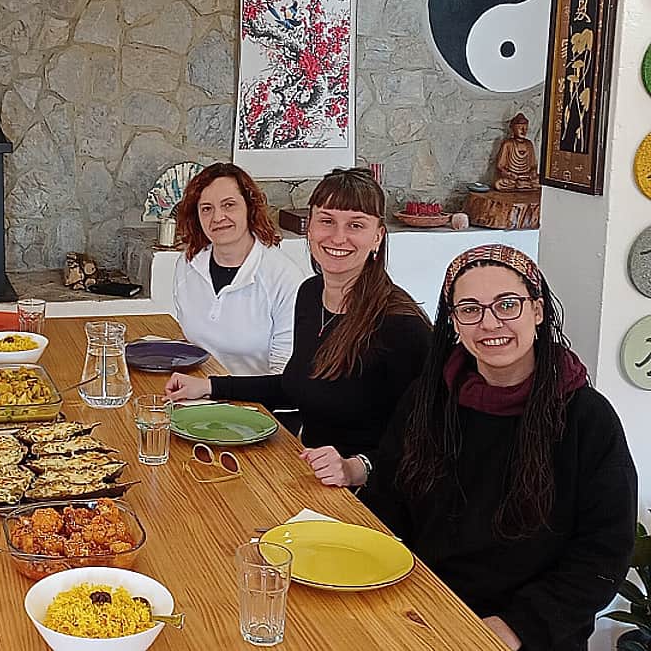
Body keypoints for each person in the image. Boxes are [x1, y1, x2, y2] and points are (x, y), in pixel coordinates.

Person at [362, 245, 636, 651]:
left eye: (507, 305)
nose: (490, 323)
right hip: (422, 609)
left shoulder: (587, 418)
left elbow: (602, 553)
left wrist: (516, 627)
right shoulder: (426, 399)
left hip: (530, 633)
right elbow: (388, 499)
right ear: (454, 322)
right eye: (470, 309)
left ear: (538, 311)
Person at [165, 167, 431, 487]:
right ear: (310, 228)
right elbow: (294, 386)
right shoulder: (310, 294)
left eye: (355, 225)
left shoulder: (401, 326)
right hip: (308, 471)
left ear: (377, 237)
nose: (337, 237)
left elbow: (424, 439)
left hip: (369, 495)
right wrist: (209, 386)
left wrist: (355, 469)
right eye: (326, 221)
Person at [171, 162, 304, 385]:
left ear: (250, 208)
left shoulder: (284, 278)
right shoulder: (188, 264)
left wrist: (220, 392)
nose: (217, 217)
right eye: (206, 208)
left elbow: (284, 375)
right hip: (198, 395)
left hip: (261, 407)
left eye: (228, 205)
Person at [494, 114, 539, 191]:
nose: (523, 131)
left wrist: (532, 172)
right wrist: (509, 173)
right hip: (512, 178)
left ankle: (523, 185)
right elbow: (500, 166)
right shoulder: (508, 144)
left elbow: (533, 165)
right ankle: (520, 185)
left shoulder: (529, 144)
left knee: (539, 181)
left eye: (526, 128)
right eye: (520, 128)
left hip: (526, 178)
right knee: (499, 184)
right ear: (513, 129)